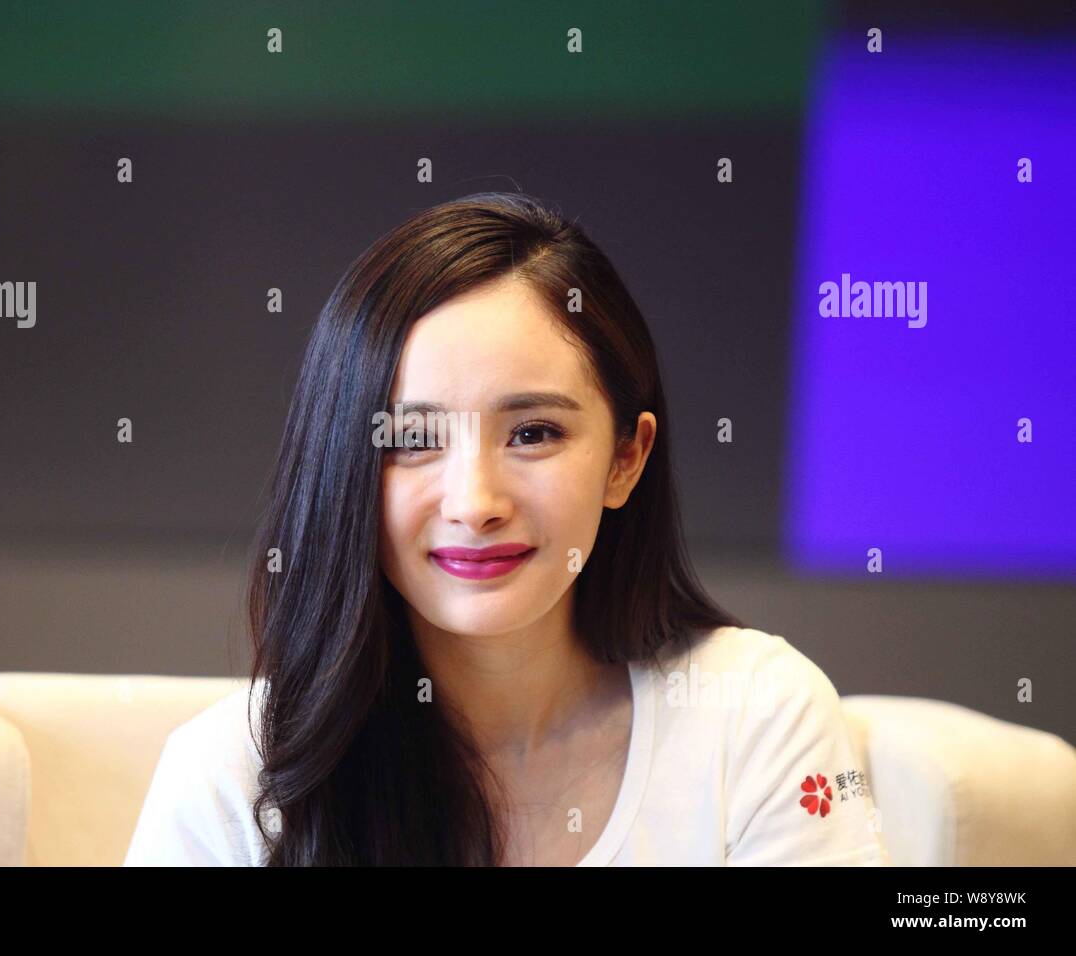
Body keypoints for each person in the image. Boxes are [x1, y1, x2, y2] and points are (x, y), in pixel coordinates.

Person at [124, 192, 890, 866]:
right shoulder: (231, 776)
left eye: (532, 434)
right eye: (410, 440)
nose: (475, 501)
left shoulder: (756, 714)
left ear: (627, 458)